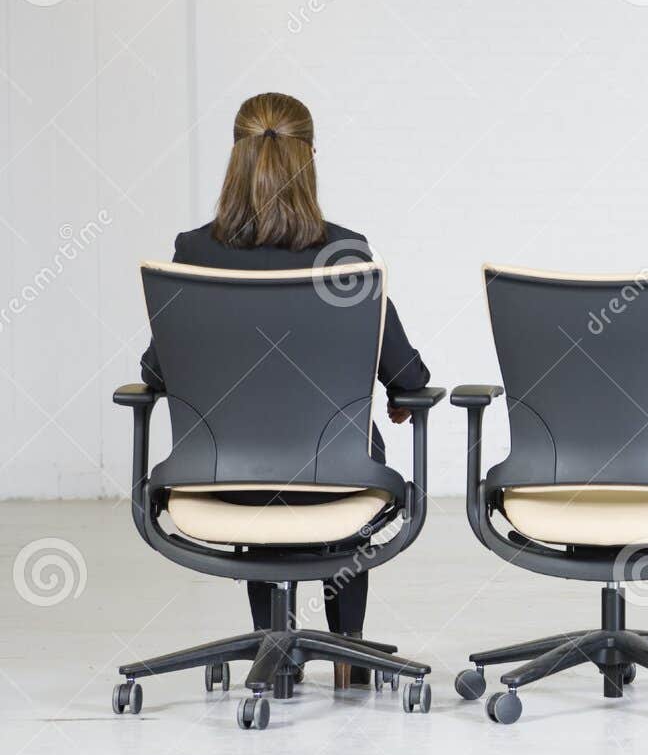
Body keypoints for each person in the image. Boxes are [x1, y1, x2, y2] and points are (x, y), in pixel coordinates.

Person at [139, 92, 430, 685]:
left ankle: (272, 645)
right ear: (312, 158)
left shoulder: (194, 253)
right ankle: (348, 649)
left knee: (256, 465)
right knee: (347, 451)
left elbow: (156, 371)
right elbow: (410, 379)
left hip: (220, 477)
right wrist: (403, 399)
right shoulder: (343, 252)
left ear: (235, 157)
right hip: (336, 481)